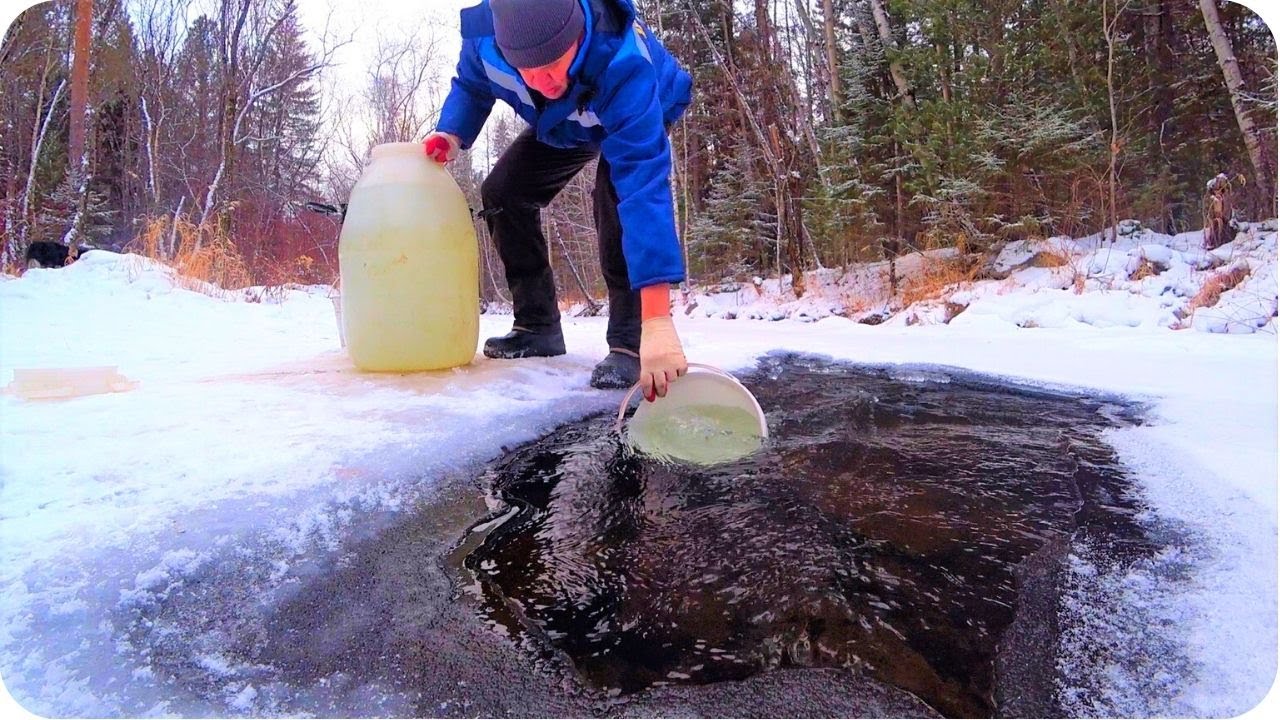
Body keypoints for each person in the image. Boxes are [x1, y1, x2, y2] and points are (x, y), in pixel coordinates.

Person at [425, 0, 691, 402]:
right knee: (505, 192)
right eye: (526, 70)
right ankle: (537, 326)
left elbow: (643, 189)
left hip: (642, 101)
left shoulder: (623, 61)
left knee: (617, 196)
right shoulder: (485, 40)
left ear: (576, 32)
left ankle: (631, 340)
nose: (541, 81)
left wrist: (658, 319)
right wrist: (450, 133)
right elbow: (472, 86)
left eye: (551, 65)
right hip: (565, 118)